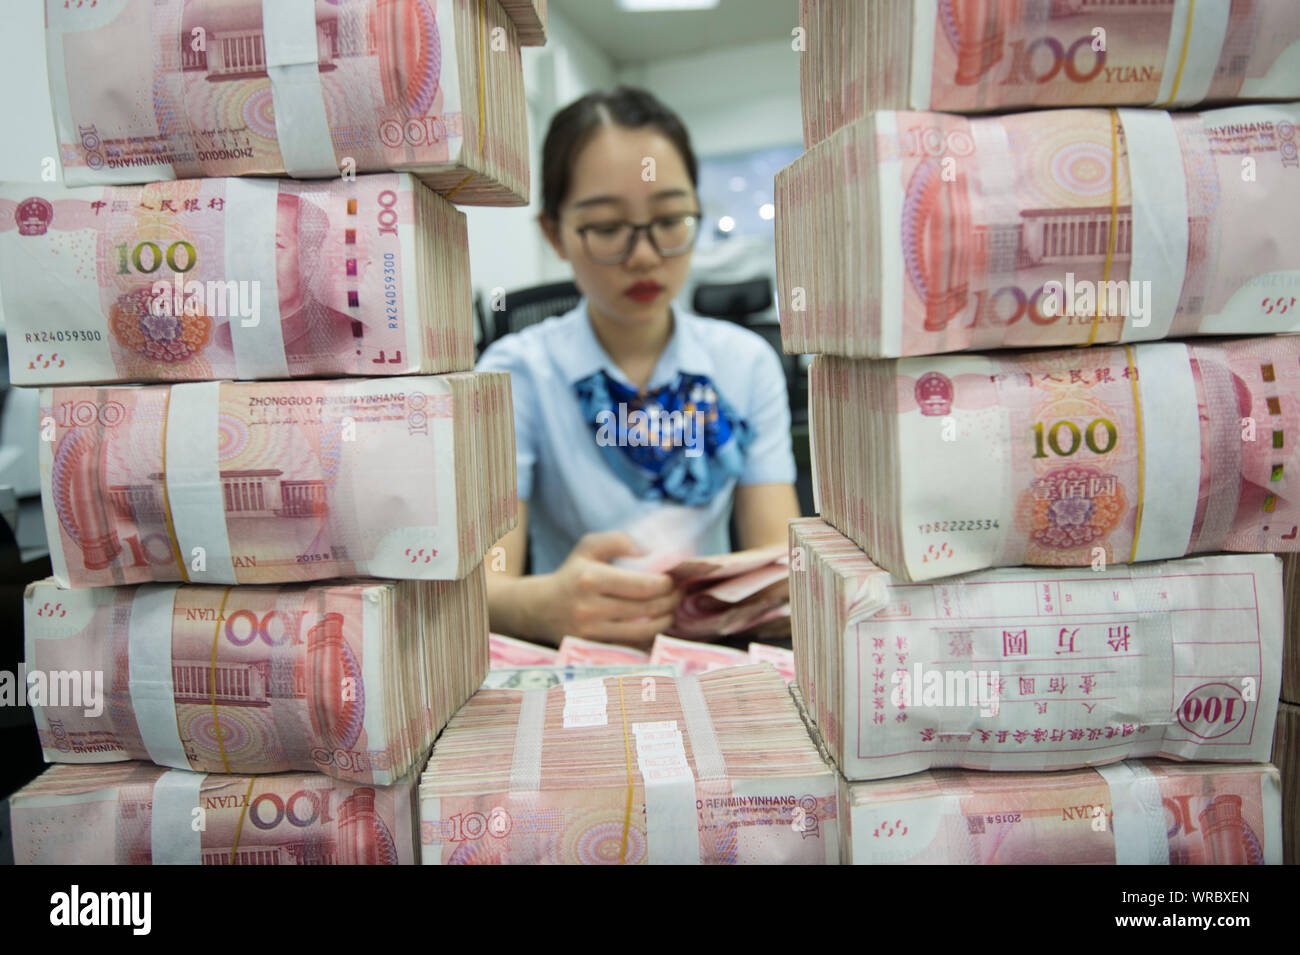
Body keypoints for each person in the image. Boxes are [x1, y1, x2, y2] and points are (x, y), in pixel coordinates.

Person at [478, 86, 800, 647]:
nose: (646, 255)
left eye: (671, 219)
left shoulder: (745, 363)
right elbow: (487, 585)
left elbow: (775, 565)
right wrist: (541, 607)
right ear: (554, 234)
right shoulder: (515, 374)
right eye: (606, 228)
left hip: (712, 652)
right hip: (579, 654)